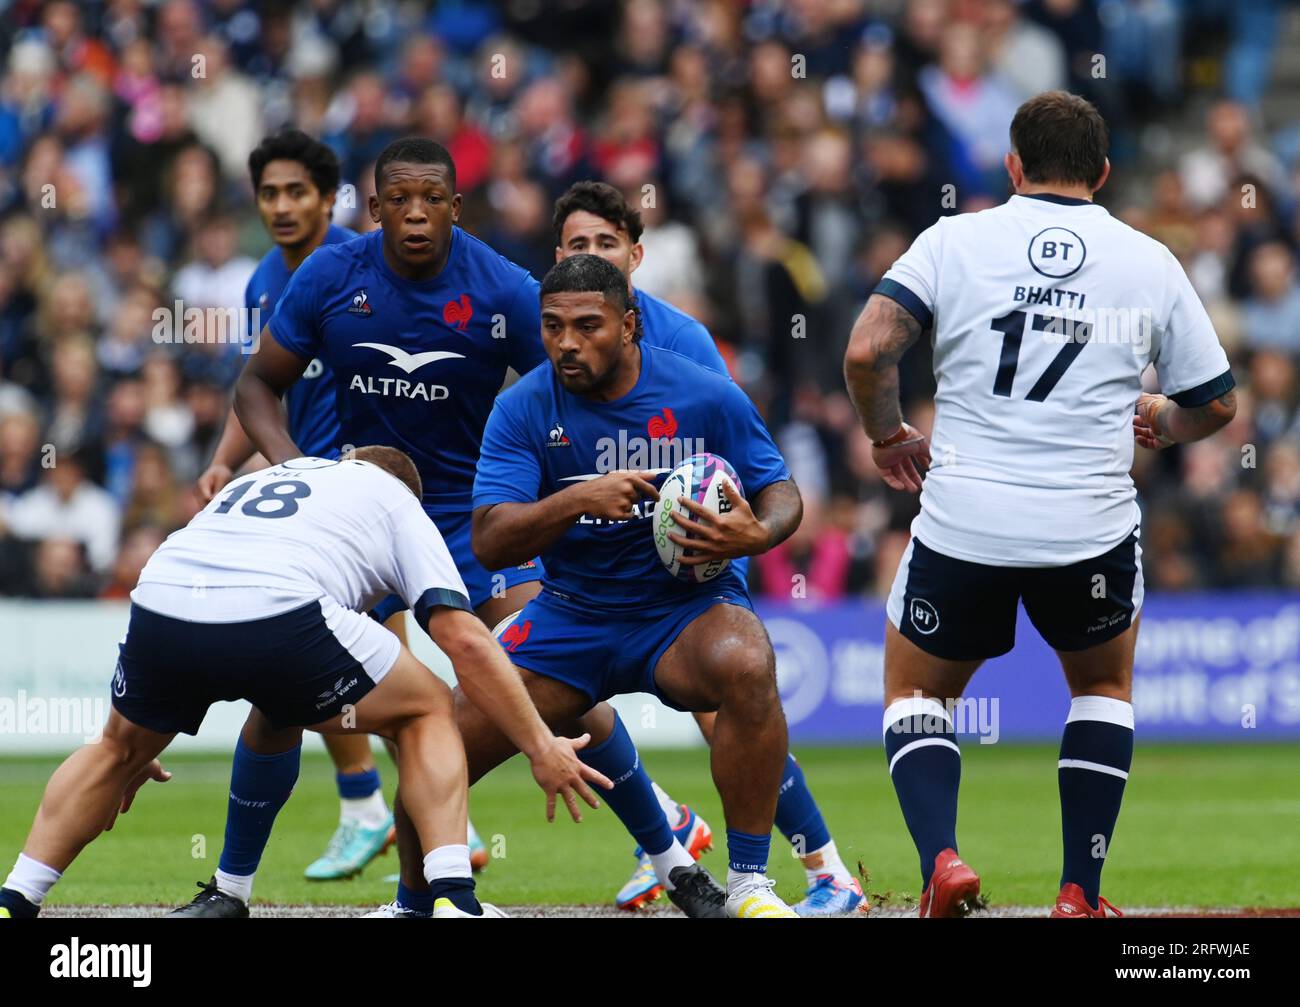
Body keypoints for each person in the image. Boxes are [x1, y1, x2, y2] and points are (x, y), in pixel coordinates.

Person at [843, 90, 1236, 918]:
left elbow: (869, 346)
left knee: (917, 696)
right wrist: (1163, 418)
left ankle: (943, 861)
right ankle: (1078, 893)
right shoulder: (1148, 259)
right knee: (1100, 686)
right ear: (1103, 171)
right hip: (1086, 525)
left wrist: (887, 436)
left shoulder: (955, 240)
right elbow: (1219, 404)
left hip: (965, 521)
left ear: (1013, 166)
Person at [0, 447, 609, 920]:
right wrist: (539, 744)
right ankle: (452, 894)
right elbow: (464, 639)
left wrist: (145, 734)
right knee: (425, 708)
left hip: (162, 594)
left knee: (119, 749)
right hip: (277, 606)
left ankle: (19, 896)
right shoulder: (396, 500)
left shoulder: (271, 478)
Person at [550, 181, 862, 915]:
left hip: (691, 548)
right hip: (590, 564)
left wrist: (720, 537)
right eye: (576, 245)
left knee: (724, 710)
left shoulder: (682, 339)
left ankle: (826, 870)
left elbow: (725, 466)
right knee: (547, 686)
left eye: (605, 243)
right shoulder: (556, 335)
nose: (592, 255)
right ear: (556, 256)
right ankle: (667, 829)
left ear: (636, 252)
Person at [461, 253, 804, 917]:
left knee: (748, 659)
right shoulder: (522, 406)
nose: (566, 342)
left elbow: (779, 488)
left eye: (587, 325)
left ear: (629, 325)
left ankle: (750, 884)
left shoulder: (704, 393)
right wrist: (575, 500)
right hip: (572, 615)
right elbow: (490, 538)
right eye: (553, 326)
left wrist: (759, 534)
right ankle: (428, 896)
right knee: (442, 733)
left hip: (685, 612)